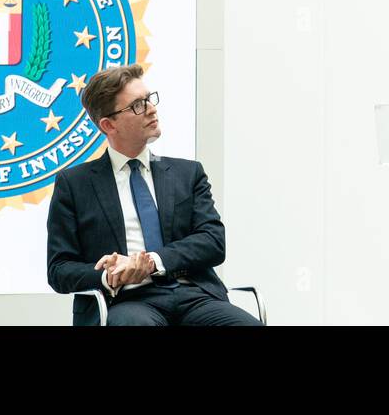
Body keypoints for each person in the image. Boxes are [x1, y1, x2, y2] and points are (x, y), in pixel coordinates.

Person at [46, 64, 261, 325]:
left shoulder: (187, 173)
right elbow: (59, 269)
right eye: (137, 105)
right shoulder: (74, 184)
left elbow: (213, 241)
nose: (151, 108)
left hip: (194, 296)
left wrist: (152, 261)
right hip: (126, 301)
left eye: (149, 99)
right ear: (108, 124)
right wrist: (109, 274)